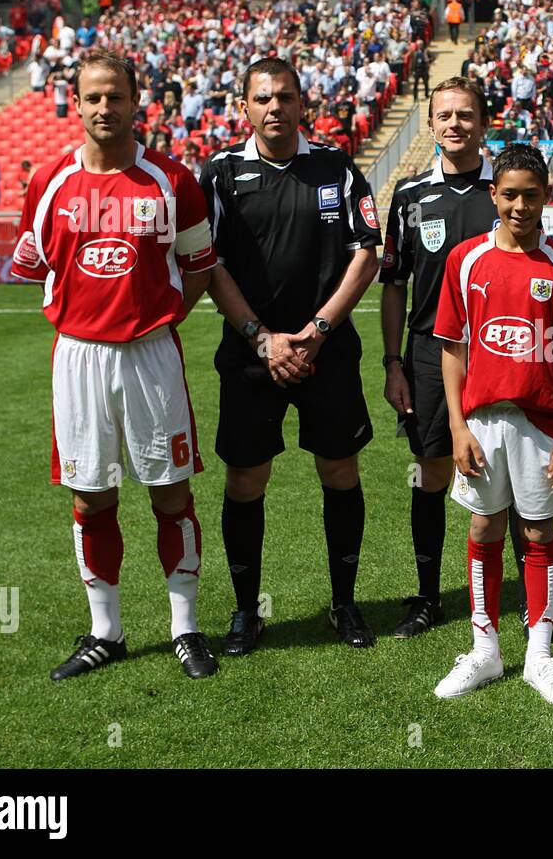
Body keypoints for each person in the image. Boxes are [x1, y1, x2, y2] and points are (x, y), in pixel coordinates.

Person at [8, 50, 218, 681]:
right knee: (91, 497)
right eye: (93, 97)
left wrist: (161, 318)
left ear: (136, 103)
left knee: (170, 492)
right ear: (78, 103)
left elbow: (201, 266)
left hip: (151, 354)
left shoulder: (171, 180)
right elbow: (35, 269)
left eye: (116, 97)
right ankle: (107, 631)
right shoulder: (47, 183)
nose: (105, 108)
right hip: (78, 355)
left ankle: (185, 629)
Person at [200, 57, 382, 655]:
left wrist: (318, 329)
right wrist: (262, 338)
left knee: (340, 470)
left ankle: (345, 603)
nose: (274, 107)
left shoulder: (336, 166)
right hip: (252, 356)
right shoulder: (221, 173)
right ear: (244, 107)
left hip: (325, 352)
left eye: (284, 97)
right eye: (262, 98)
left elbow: (366, 254)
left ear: (303, 103)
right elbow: (211, 265)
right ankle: (246, 613)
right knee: (247, 478)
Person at [431, 144, 553, 705]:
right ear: (492, 196)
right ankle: (484, 650)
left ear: (547, 196)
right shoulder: (465, 260)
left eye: (532, 195)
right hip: (480, 421)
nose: (520, 206)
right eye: (510, 195)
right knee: (483, 528)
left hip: (543, 423)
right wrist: (457, 427)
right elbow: (453, 348)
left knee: (538, 532)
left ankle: (540, 655)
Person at [381, 77, 533, 638]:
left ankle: (525, 593)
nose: (454, 124)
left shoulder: (510, 188)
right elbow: (394, 284)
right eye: (443, 115)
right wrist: (392, 362)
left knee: (515, 473)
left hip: (506, 350)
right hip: (429, 354)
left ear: (483, 122)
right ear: (431, 122)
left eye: (465, 115)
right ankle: (426, 596)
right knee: (431, 472)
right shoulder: (410, 197)